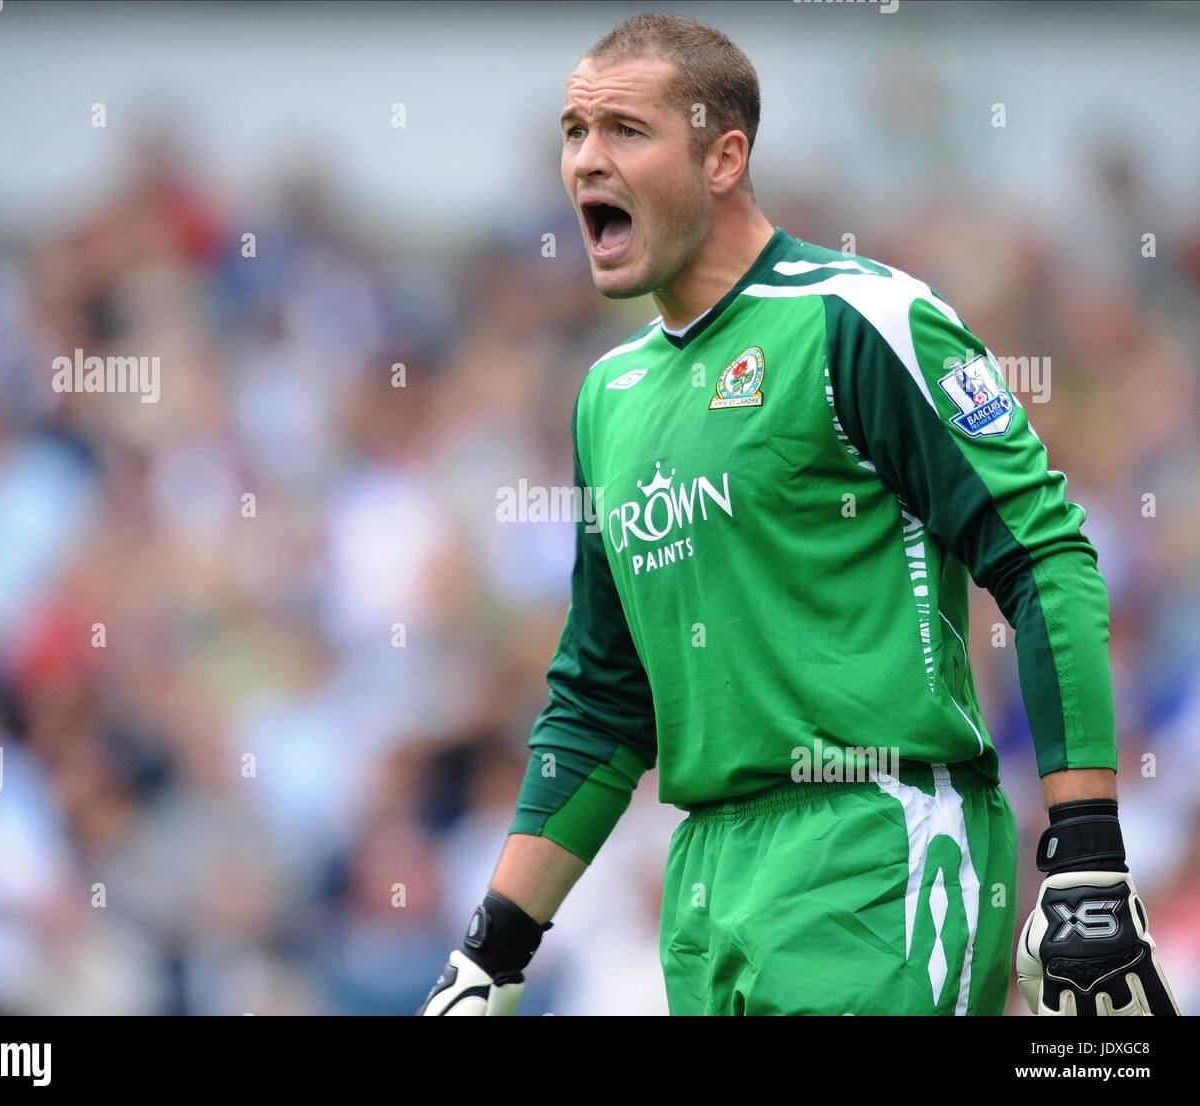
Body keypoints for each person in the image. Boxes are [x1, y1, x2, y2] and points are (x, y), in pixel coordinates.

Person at [419, 12, 1179, 1016]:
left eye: (623, 131)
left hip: (876, 846)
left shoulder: (859, 319)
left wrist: (1085, 858)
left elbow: (1045, 561)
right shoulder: (607, 394)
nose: (584, 161)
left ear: (724, 155)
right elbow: (602, 697)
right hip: (706, 887)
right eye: (572, 132)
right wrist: (489, 953)